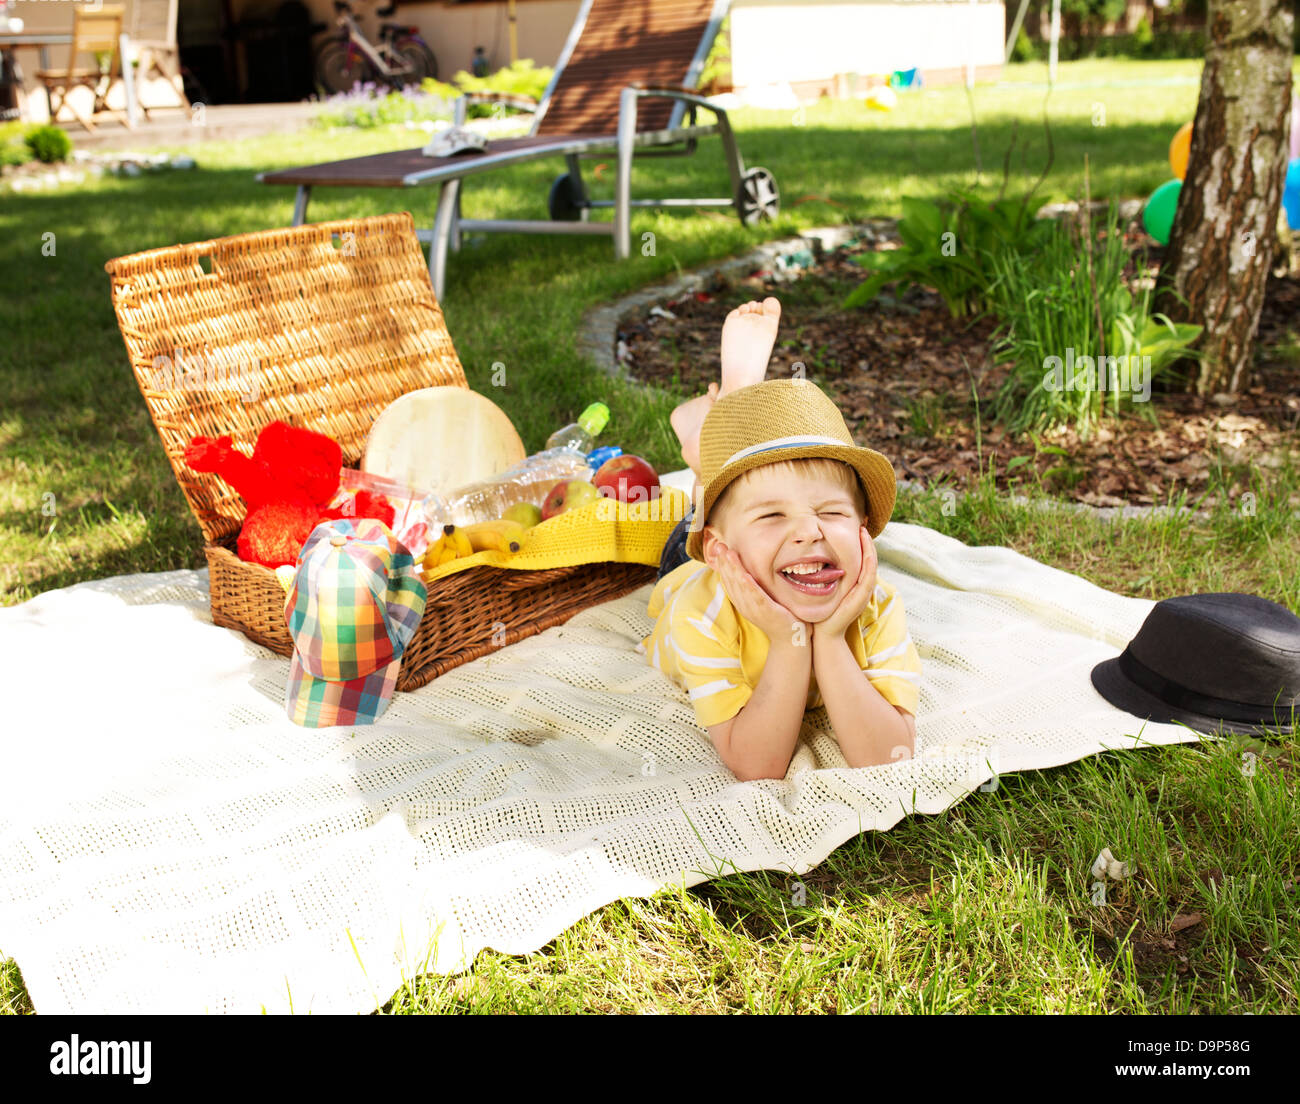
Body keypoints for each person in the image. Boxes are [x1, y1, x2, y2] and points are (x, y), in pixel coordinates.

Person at [639, 298, 921, 780]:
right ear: (721, 554)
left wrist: (829, 637)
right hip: (689, 568)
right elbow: (757, 765)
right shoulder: (701, 617)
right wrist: (790, 642)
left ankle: (722, 435)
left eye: (832, 512)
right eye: (773, 516)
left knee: (727, 500)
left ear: (862, 527)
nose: (810, 531)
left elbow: (887, 757)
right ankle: (723, 420)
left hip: (742, 546)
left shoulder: (877, 608)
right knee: (699, 515)